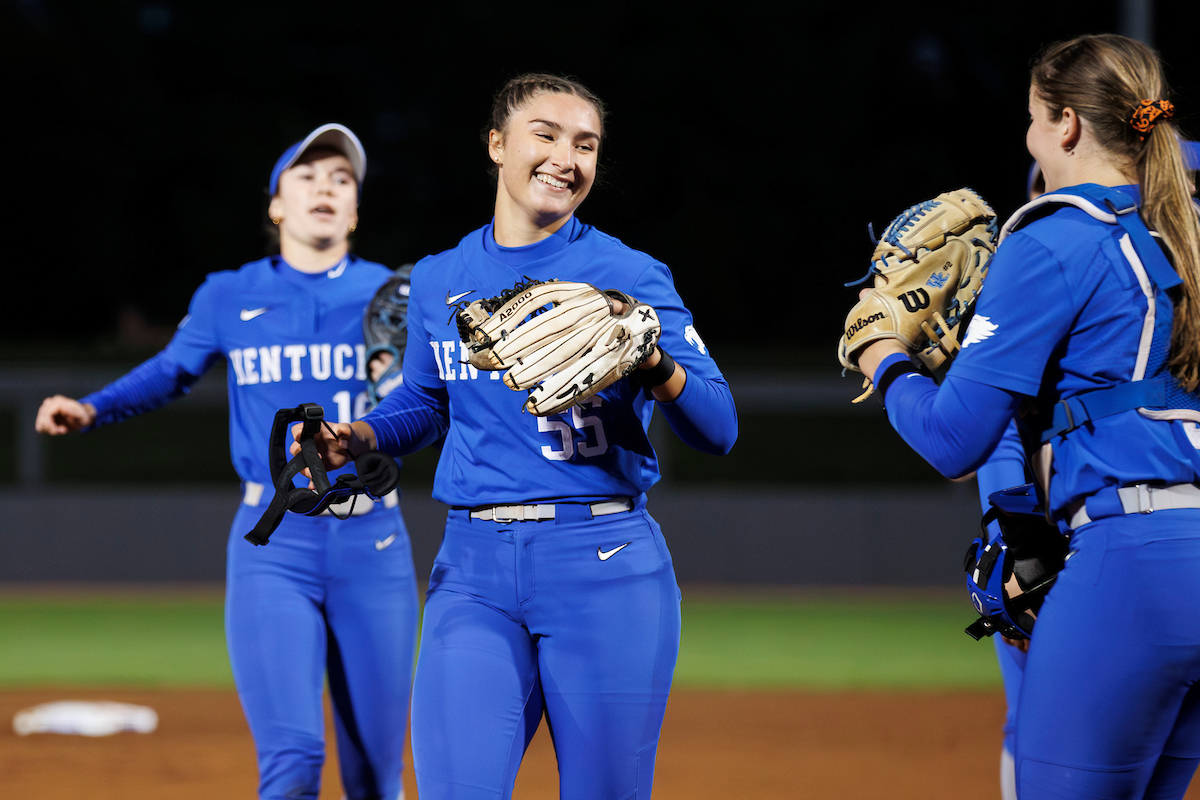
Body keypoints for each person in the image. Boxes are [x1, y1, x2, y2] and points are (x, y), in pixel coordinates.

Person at [299, 74, 738, 799]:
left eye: (585, 144)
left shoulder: (628, 274)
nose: (567, 157)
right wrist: (361, 434)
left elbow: (718, 427)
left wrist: (651, 358)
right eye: (547, 134)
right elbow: (425, 403)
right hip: (472, 573)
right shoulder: (441, 279)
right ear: (498, 145)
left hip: (604, 568)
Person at [855, 34, 1200, 799]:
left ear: (1068, 125)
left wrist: (883, 356)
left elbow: (953, 439)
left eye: (1035, 120)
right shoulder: (1187, 231)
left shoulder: (1054, 238)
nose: (1031, 138)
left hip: (1130, 561)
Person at [34, 124, 419, 800]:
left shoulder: (393, 298)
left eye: (341, 180)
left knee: (375, 778)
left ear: (356, 210)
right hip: (274, 544)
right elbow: (171, 370)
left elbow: (428, 401)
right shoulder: (228, 294)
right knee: (294, 762)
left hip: (375, 544)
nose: (325, 188)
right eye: (307, 176)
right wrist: (93, 409)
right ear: (276, 205)